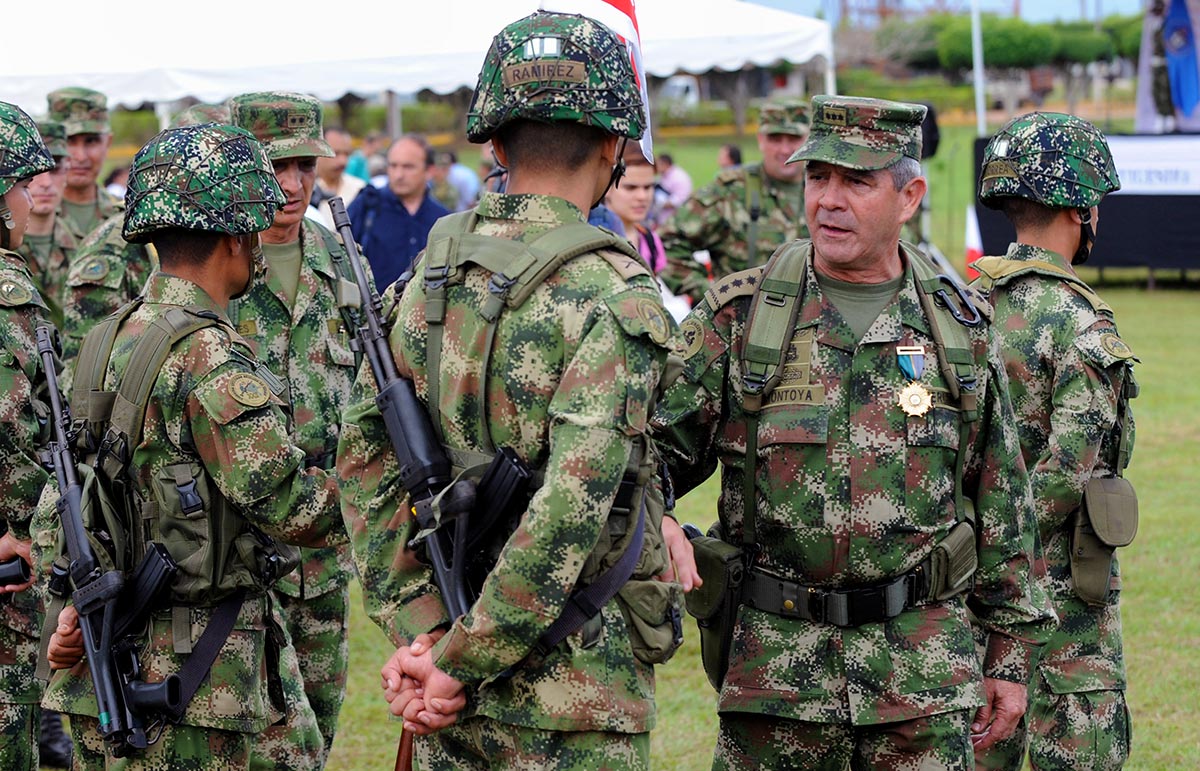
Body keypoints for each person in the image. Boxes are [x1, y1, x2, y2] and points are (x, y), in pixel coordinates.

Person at [337, 10, 696, 769]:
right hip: (573, 698)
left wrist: (427, 630)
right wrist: (458, 656)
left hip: (449, 682)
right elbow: (572, 503)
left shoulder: (428, 274)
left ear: (495, 145)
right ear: (614, 146)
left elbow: (363, 458)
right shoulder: (617, 293)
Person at [653, 95, 1056, 771]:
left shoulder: (958, 329)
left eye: (857, 181)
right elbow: (647, 454)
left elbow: (1003, 502)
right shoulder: (741, 319)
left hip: (923, 679)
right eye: (818, 177)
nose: (829, 201)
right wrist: (660, 512)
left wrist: (1009, 659)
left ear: (909, 197)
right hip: (777, 679)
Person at [37, 122, 342, 771]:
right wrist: (379, 487)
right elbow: (292, 508)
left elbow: (56, 505)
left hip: (100, 665)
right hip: (199, 682)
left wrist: (68, 606)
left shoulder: (102, 341)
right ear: (235, 238)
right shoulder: (210, 356)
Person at [972, 112, 1137, 771]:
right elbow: (1069, 471)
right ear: (1080, 209)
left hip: (967, 597)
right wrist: (1011, 552)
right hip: (1060, 601)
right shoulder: (1081, 321)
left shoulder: (960, 306)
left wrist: (977, 555)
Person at [229, 90, 367, 760]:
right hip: (240, 556)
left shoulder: (341, 259)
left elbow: (371, 382)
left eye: (303, 165)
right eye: (274, 165)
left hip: (325, 554)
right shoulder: (215, 266)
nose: (291, 184)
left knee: (321, 729)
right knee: (262, 743)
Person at [0, 100, 57, 771]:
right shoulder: (5, 285)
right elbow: (10, 418)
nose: (27, 200)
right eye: (18, 184)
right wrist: (25, 527)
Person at [659, 98, 811, 304]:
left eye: (794, 138)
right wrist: (716, 297)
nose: (785, 149)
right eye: (775, 138)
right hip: (747, 319)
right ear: (760, 140)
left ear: (808, 139)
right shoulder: (730, 191)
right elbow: (666, 244)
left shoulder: (826, 190)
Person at [346, 133, 449, 292]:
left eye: (408, 167)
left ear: (429, 170)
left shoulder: (443, 219)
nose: (398, 175)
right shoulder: (366, 206)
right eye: (393, 166)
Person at [19, 120, 78, 329]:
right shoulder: (5, 248)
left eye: (54, 168)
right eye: (34, 171)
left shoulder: (86, 242)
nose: (45, 183)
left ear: (67, 169)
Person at [45, 87, 120, 238]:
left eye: (91, 141)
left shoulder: (126, 215)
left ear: (108, 142)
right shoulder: (28, 216)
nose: (80, 156)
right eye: (69, 140)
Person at [313, 126, 366, 229]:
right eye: (336, 153)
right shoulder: (305, 190)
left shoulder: (359, 189)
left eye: (347, 154)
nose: (343, 161)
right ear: (318, 151)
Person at [654, 152, 692, 219]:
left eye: (657, 164)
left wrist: (653, 203)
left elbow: (678, 201)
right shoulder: (664, 175)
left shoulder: (679, 178)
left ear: (665, 164)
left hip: (673, 220)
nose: (655, 166)